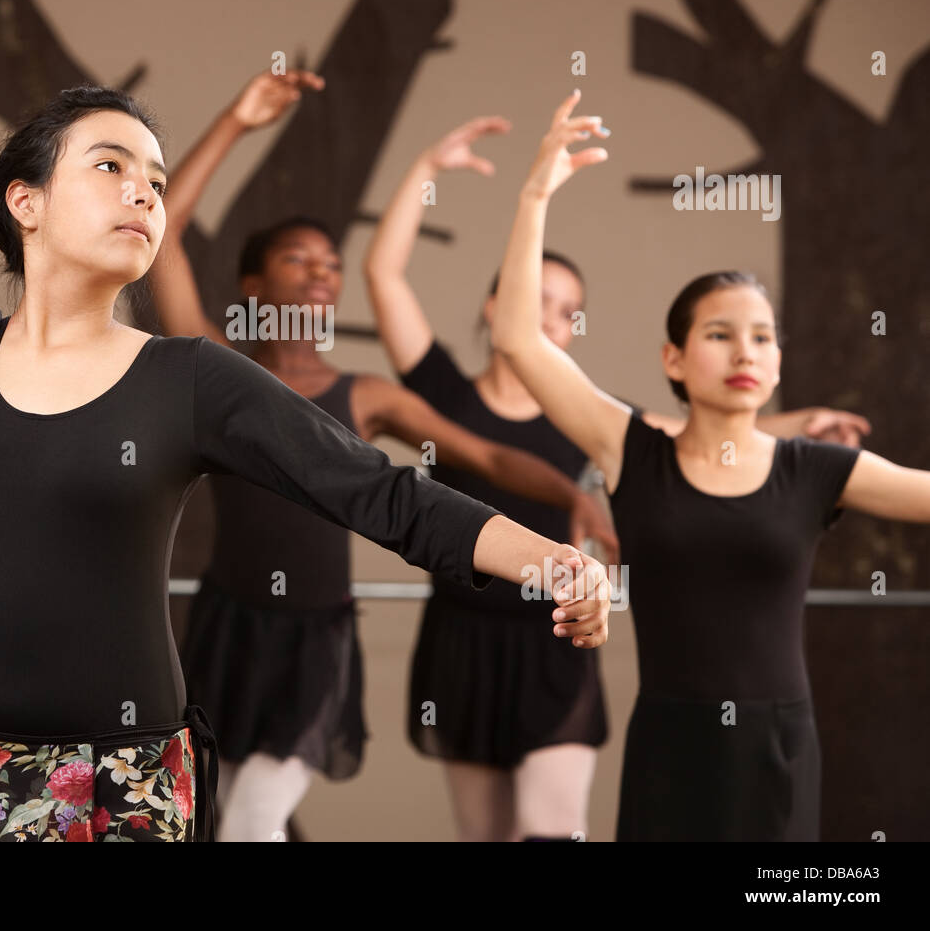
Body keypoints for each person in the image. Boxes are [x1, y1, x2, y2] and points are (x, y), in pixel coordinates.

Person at [0, 0, 612, 843]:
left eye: (154, 179)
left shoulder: (187, 380)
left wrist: (556, 560)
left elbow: (378, 491)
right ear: (24, 199)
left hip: (124, 788)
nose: (142, 192)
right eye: (109, 165)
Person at [363, 117, 870, 841]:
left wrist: (806, 422)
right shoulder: (441, 390)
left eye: (568, 312)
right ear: (497, 303)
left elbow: (696, 433)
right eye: (537, 297)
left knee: (552, 827)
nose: (552, 319)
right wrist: (425, 166)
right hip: (464, 634)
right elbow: (382, 273)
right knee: (486, 835)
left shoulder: (591, 420)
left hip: (558, 629)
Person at [147, 70, 618, 842]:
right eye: (299, 261)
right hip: (228, 630)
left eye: (331, 265)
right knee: (222, 813)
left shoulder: (367, 395)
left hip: (317, 641)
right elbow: (165, 228)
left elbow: (489, 460)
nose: (321, 274)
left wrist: (573, 498)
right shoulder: (215, 370)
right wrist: (237, 119)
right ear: (252, 281)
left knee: (253, 818)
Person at [488, 88, 929, 841]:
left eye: (761, 336)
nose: (745, 351)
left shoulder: (817, 467)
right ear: (675, 357)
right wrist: (534, 193)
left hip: (781, 750)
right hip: (671, 744)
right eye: (720, 334)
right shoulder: (631, 447)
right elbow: (521, 341)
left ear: (779, 360)